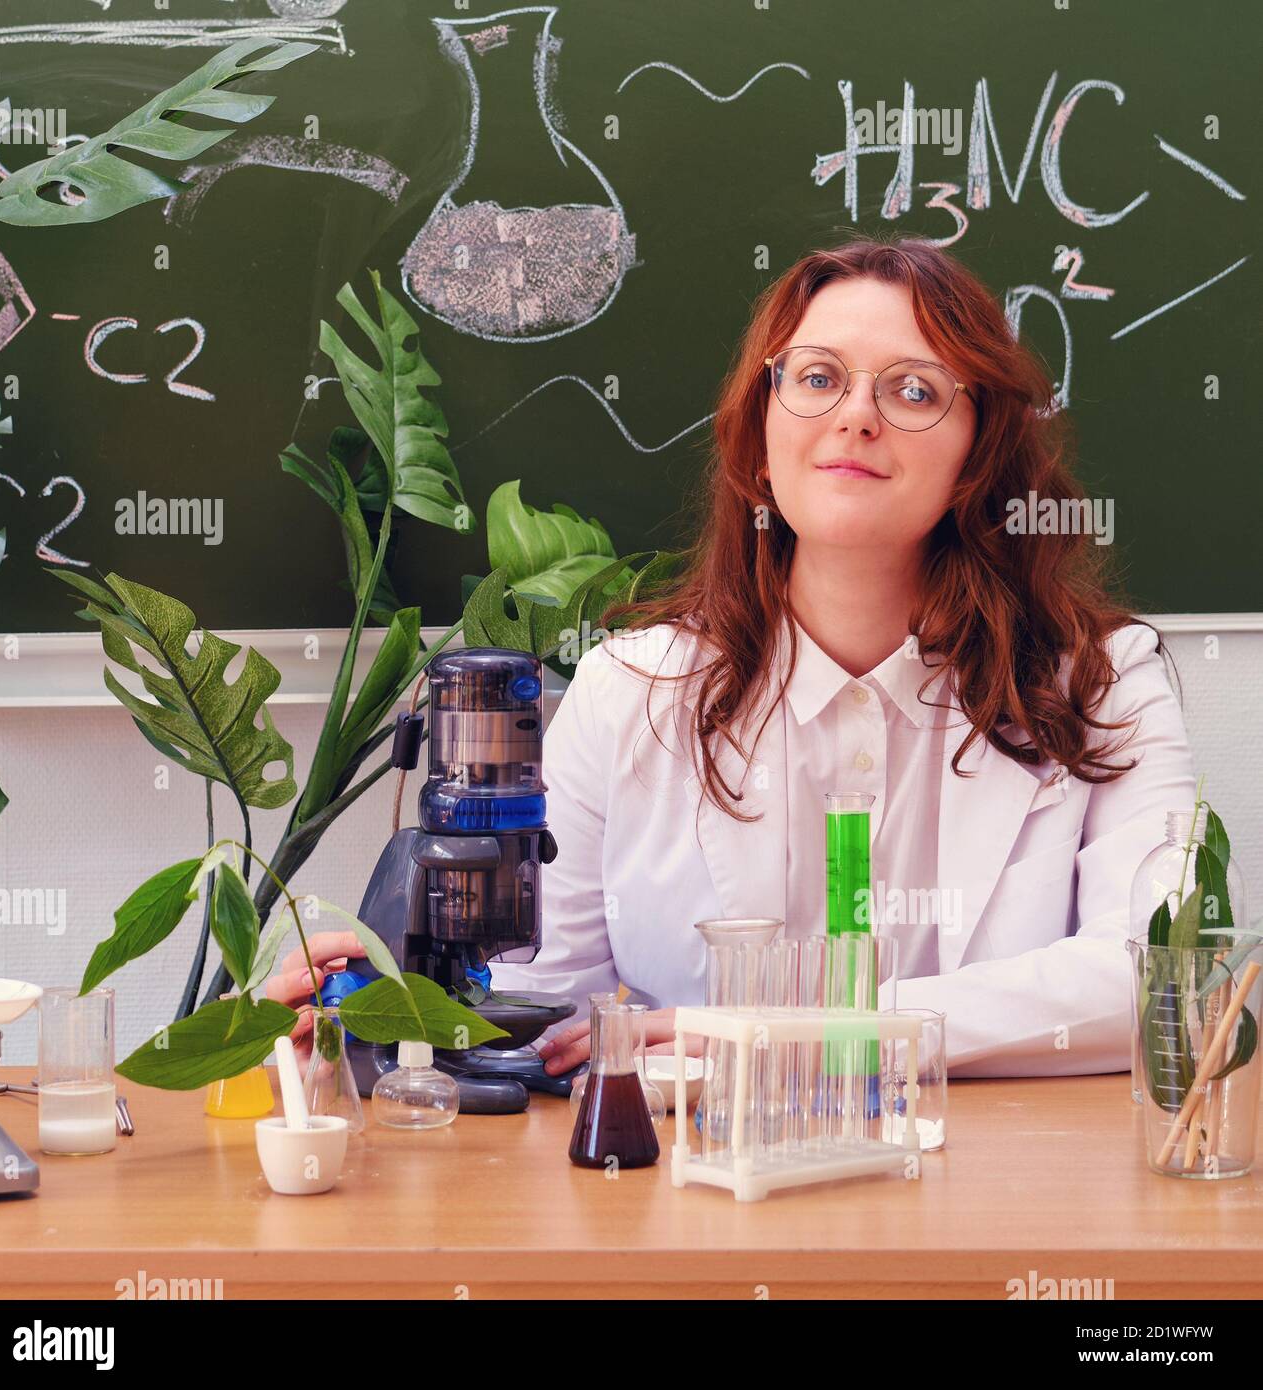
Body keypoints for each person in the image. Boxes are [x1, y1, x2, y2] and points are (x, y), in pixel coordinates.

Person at [484, 236, 1195, 1081]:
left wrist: (805, 1035)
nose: (857, 416)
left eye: (915, 390)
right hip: (700, 1198)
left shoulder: (1102, 683)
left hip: (997, 1196)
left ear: (980, 456)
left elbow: (1169, 979)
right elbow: (542, 1022)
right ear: (758, 439)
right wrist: (377, 1013)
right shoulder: (626, 693)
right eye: (819, 378)